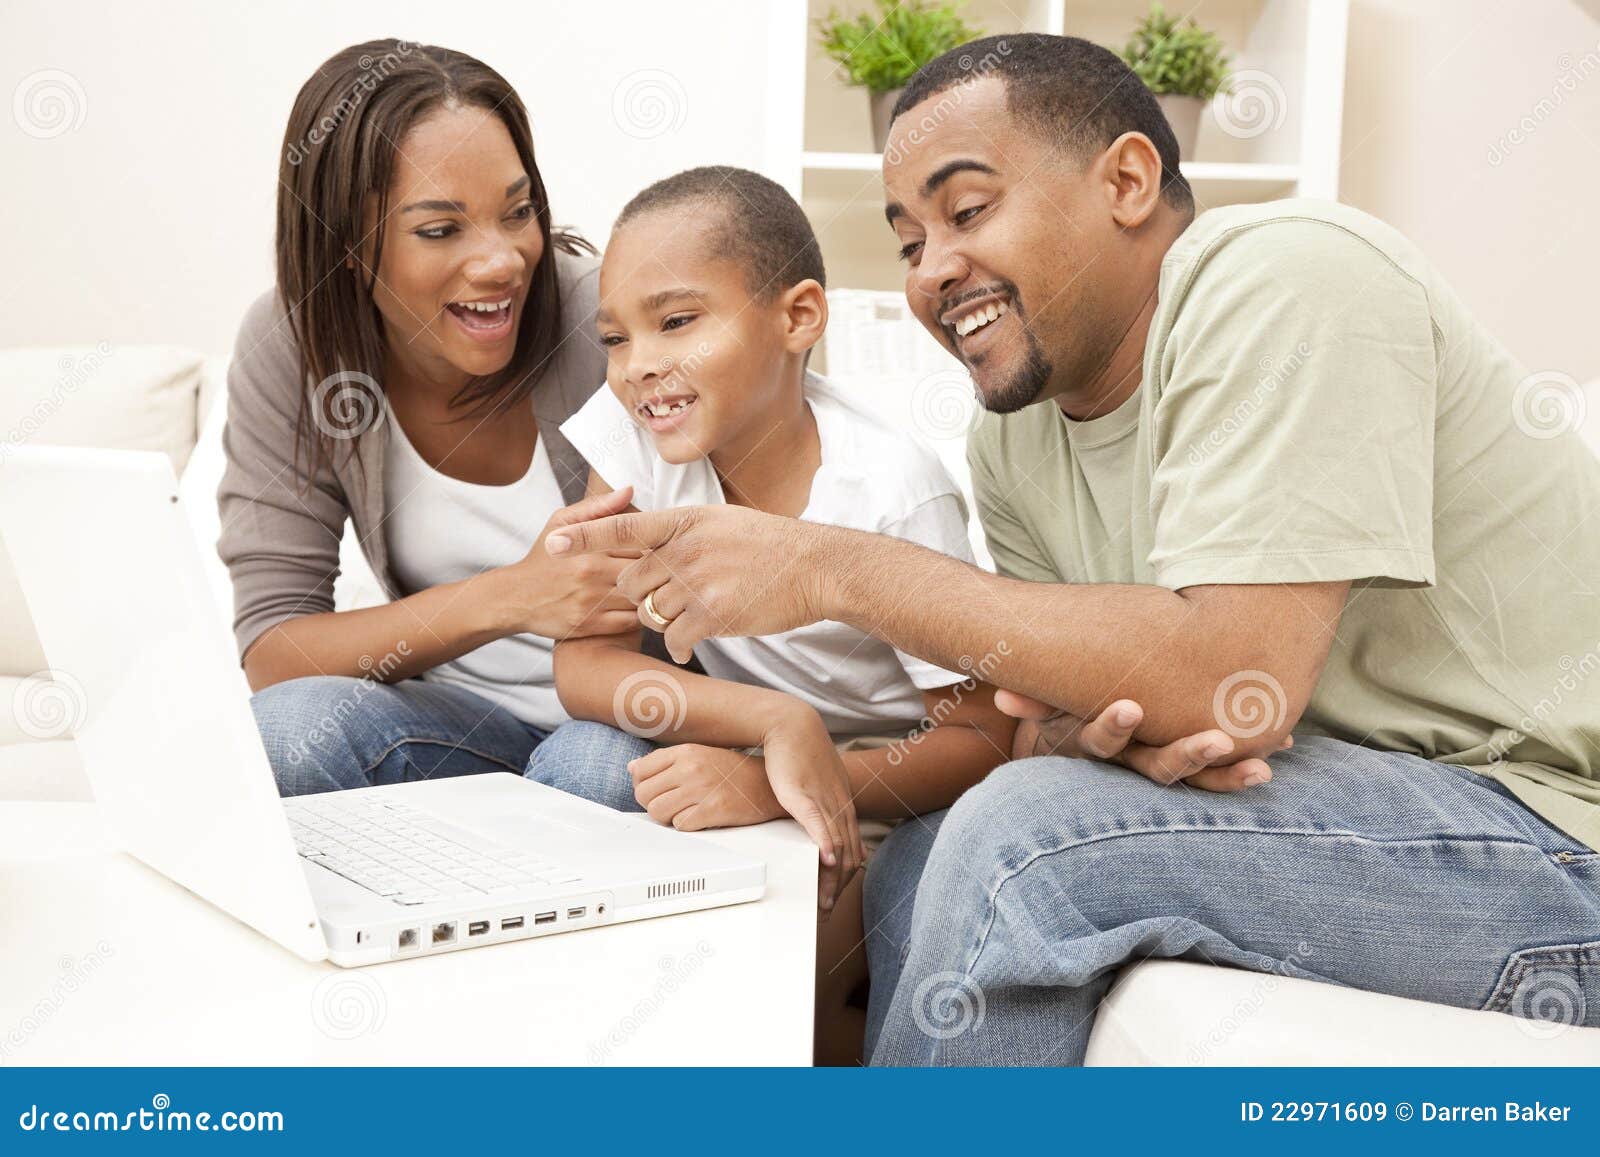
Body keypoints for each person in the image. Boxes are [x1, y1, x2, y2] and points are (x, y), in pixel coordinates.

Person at [542, 35, 1600, 1064]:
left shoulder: (1285, 274)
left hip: (1550, 837)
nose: (932, 271)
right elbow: (1052, 724)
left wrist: (831, 566)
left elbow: (1233, 679)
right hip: (1319, 805)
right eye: (909, 242)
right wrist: (1104, 740)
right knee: (932, 835)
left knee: (1027, 843)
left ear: (1127, 179)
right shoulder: (1015, 436)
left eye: (966, 211)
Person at [527, 167, 1017, 1063]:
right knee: (576, 759)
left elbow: (985, 738)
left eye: (676, 321)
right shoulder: (643, 435)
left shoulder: (892, 491)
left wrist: (781, 783)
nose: (638, 364)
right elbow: (583, 663)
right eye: (614, 336)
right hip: (753, 748)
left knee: (838, 937)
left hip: (894, 786)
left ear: (798, 318)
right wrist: (768, 724)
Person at [219, 40, 645, 795]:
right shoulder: (296, 347)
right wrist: (511, 594)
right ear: (347, 244)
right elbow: (276, 652)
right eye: (440, 229)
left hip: (626, 715)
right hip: (451, 725)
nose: (502, 262)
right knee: (285, 732)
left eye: (518, 213)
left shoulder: (604, 324)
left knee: (593, 771)